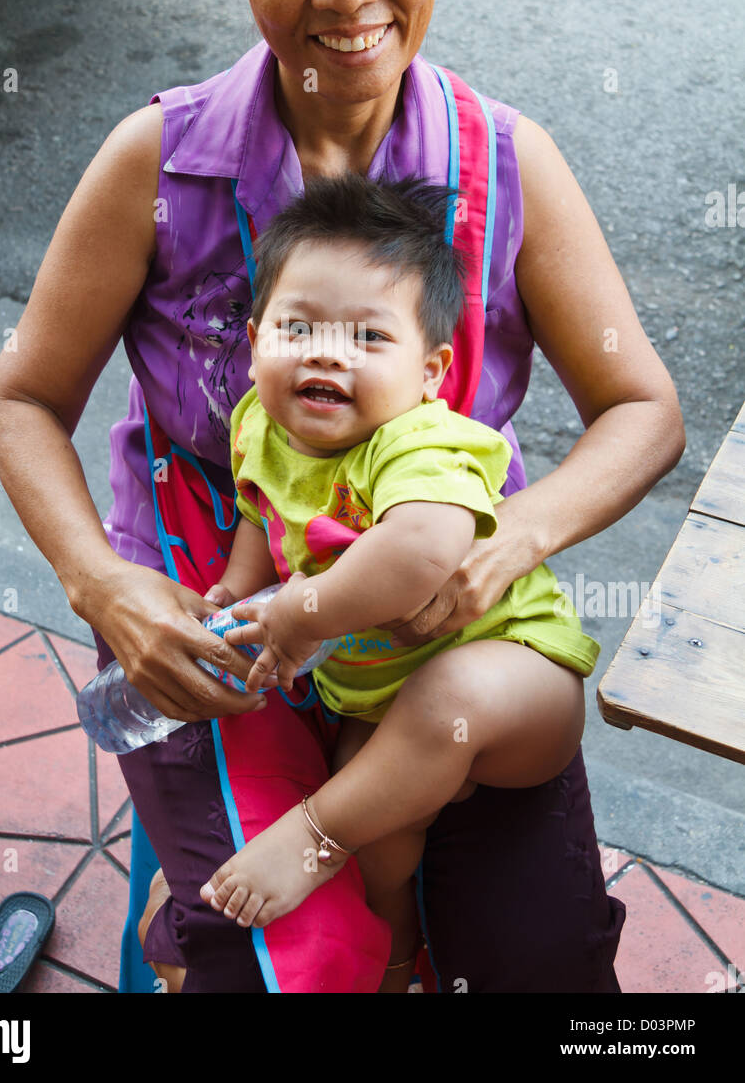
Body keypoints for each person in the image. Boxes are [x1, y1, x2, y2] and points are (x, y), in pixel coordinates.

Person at [0, 0, 685, 992]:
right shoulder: (157, 164)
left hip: (437, 642)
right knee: (272, 959)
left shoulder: (509, 165)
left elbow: (641, 407)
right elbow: (24, 395)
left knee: (546, 964)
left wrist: (502, 547)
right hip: (221, 634)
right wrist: (103, 588)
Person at [196, 172, 600, 991]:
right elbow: (257, 513)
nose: (326, 351)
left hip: (516, 682)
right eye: (297, 326)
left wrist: (304, 609)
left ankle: (310, 838)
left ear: (430, 372)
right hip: (381, 706)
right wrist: (238, 594)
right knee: (380, 830)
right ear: (254, 339)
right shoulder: (258, 426)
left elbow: (422, 550)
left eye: (369, 338)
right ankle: (392, 962)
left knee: (442, 702)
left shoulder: (419, 444)